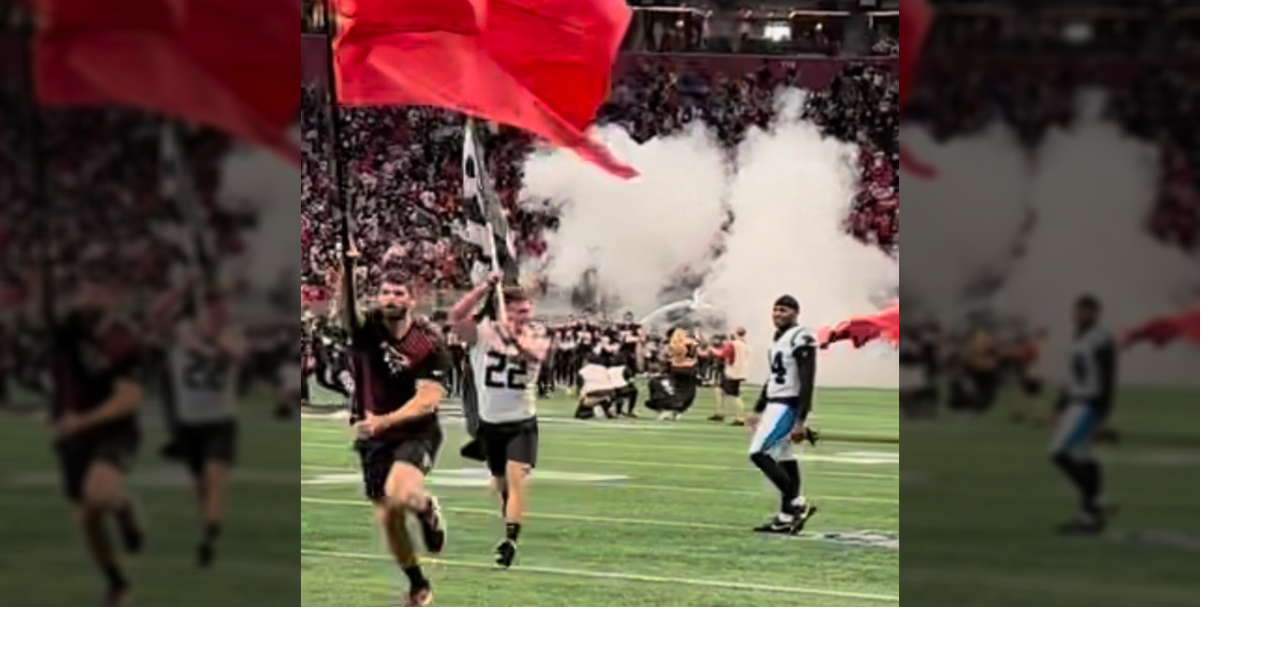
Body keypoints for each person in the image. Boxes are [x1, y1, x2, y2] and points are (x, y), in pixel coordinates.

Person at [341, 268, 451, 607]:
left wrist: (383, 421)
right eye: (386, 292)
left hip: (415, 431)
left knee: (400, 495)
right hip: (374, 436)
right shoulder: (366, 330)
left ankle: (426, 507)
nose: (391, 298)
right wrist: (348, 270)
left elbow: (427, 399)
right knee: (387, 517)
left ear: (412, 300)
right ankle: (418, 585)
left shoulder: (429, 342)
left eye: (399, 293)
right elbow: (345, 311)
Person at [50, 277, 147, 607]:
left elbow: (129, 400)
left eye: (99, 289)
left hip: (114, 432)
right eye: (85, 289)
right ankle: (116, 584)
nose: (89, 295)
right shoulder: (68, 330)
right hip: (74, 437)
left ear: (114, 297)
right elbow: (42, 304)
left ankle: (123, 507)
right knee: (86, 518)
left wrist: (80, 420)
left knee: (99, 493)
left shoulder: (122, 340)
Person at [449, 274, 550, 569]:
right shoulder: (482, 332)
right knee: (503, 484)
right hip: (490, 424)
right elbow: (455, 316)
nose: (525, 315)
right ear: (503, 309)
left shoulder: (536, 333)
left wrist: (512, 338)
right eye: (518, 310)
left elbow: (532, 355)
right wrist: (484, 287)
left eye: (527, 309)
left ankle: (510, 540)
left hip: (522, 422)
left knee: (516, 482)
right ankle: (508, 514)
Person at [151, 279, 248, 567]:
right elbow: (156, 317)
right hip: (188, 423)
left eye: (222, 311)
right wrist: (179, 290)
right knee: (200, 487)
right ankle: (209, 524)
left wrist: (211, 339)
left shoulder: (233, 335)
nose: (220, 316)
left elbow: (236, 355)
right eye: (213, 311)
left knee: (215, 481)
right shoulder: (181, 332)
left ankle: (208, 540)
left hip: (220, 421)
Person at [746, 295, 818, 535]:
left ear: (796, 313)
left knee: (758, 453)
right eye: (775, 310)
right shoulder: (779, 339)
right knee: (784, 456)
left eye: (784, 310)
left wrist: (801, 419)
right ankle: (786, 517)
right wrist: (758, 408)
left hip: (788, 404)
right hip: (776, 403)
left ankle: (797, 503)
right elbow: (774, 377)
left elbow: (807, 380)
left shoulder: (801, 337)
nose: (778, 314)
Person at [1049, 295, 1118, 535]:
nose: (1076, 315)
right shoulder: (1078, 337)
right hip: (1076, 403)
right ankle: (1089, 515)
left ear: (1095, 313)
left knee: (1059, 453)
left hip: (1088, 404)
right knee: (1083, 457)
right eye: (1075, 311)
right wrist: (1058, 408)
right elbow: (1071, 378)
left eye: (1082, 311)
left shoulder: (1101, 338)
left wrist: (1104, 414)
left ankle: (1094, 504)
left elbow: (1108, 377)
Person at [709, 327, 750, 425]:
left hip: (732, 372)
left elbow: (722, 354)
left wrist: (711, 349)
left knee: (734, 395)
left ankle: (740, 418)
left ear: (736, 333)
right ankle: (719, 413)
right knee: (719, 390)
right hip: (740, 372)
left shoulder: (732, 344)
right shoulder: (745, 345)